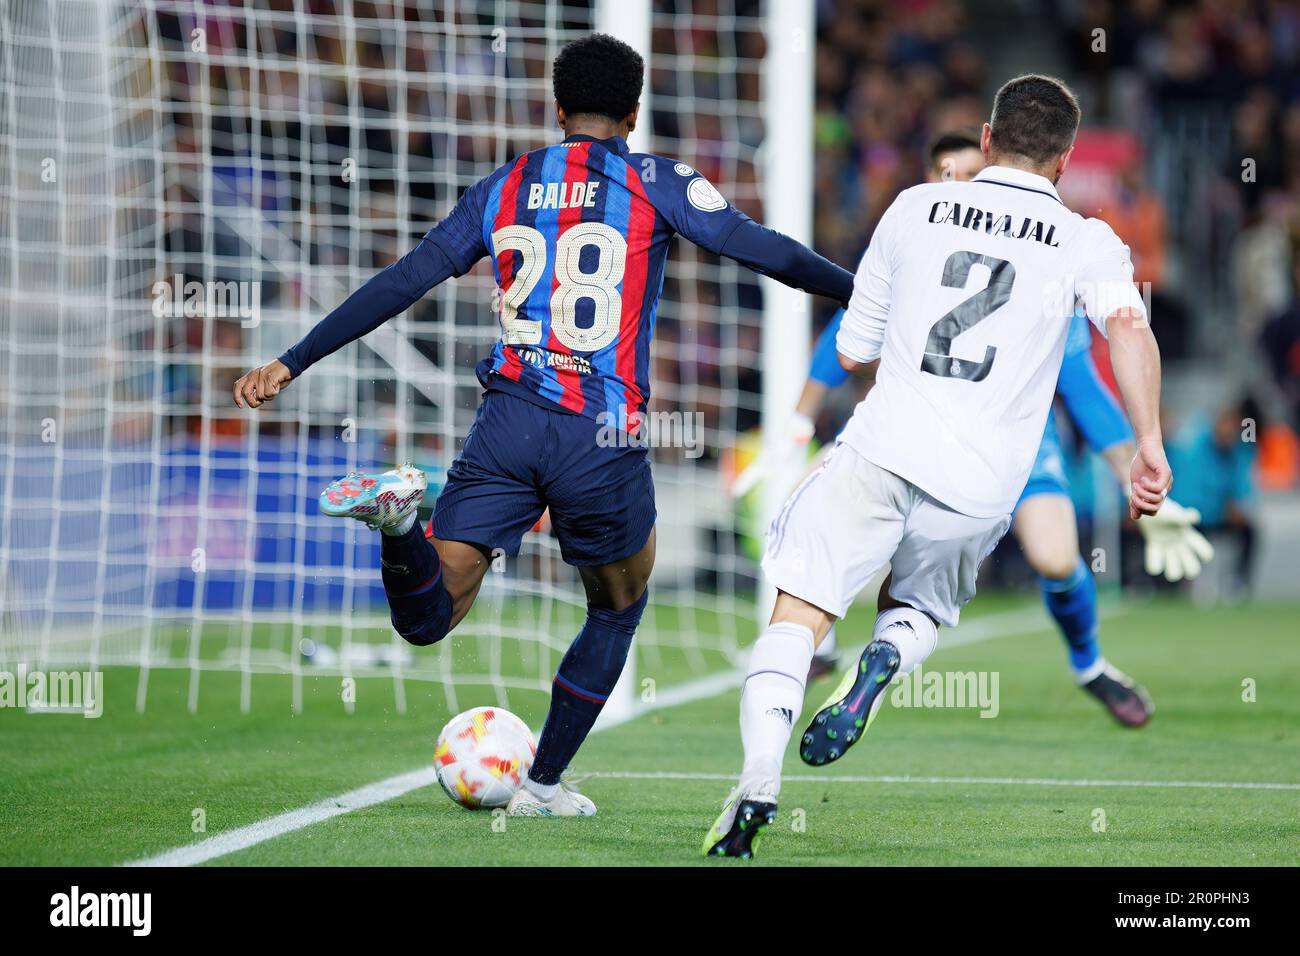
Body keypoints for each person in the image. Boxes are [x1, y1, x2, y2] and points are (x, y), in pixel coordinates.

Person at [232, 34, 855, 817]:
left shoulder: (506, 184)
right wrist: (862, 293)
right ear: (634, 113)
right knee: (617, 604)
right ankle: (545, 783)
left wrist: (293, 359)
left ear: (557, 109)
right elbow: (766, 252)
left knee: (429, 618)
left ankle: (397, 526)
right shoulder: (654, 179)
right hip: (600, 430)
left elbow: (405, 279)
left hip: (509, 420)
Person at [706, 75, 1171, 858]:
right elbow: (1127, 331)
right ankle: (888, 654)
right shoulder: (1087, 239)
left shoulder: (915, 207)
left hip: (882, 448)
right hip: (983, 483)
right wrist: (1148, 443)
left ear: (986, 140)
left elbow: (852, 346)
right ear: (1061, 161)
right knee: (916, 608)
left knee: (798, 616)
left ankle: (758, 777)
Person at [734, 129, 1212, 725]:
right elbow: (847, 336)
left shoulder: (962, 237)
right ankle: (845, 654)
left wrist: (1128, 472)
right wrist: (800, 422)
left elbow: (1080, 386)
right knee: (895, 548)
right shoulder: (957, 238)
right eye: (944, 174)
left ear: (989, 157)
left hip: (988, 437)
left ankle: (1087, 666)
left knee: (1055, 557)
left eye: (962, 173)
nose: (954, 185)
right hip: (945, 442)